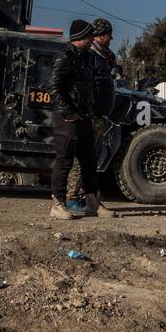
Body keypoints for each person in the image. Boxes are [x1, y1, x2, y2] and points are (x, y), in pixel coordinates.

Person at [49, 18, 102, 219]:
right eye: (90, 36)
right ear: (80, 37)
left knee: (89, 161)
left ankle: (92, 203)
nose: (92, 40)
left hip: (84, 116)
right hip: (67, 118)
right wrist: (67, 111)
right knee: (64, 161)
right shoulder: (65, 56)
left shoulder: (87, 57)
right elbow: (54, 87)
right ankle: (58, 204)